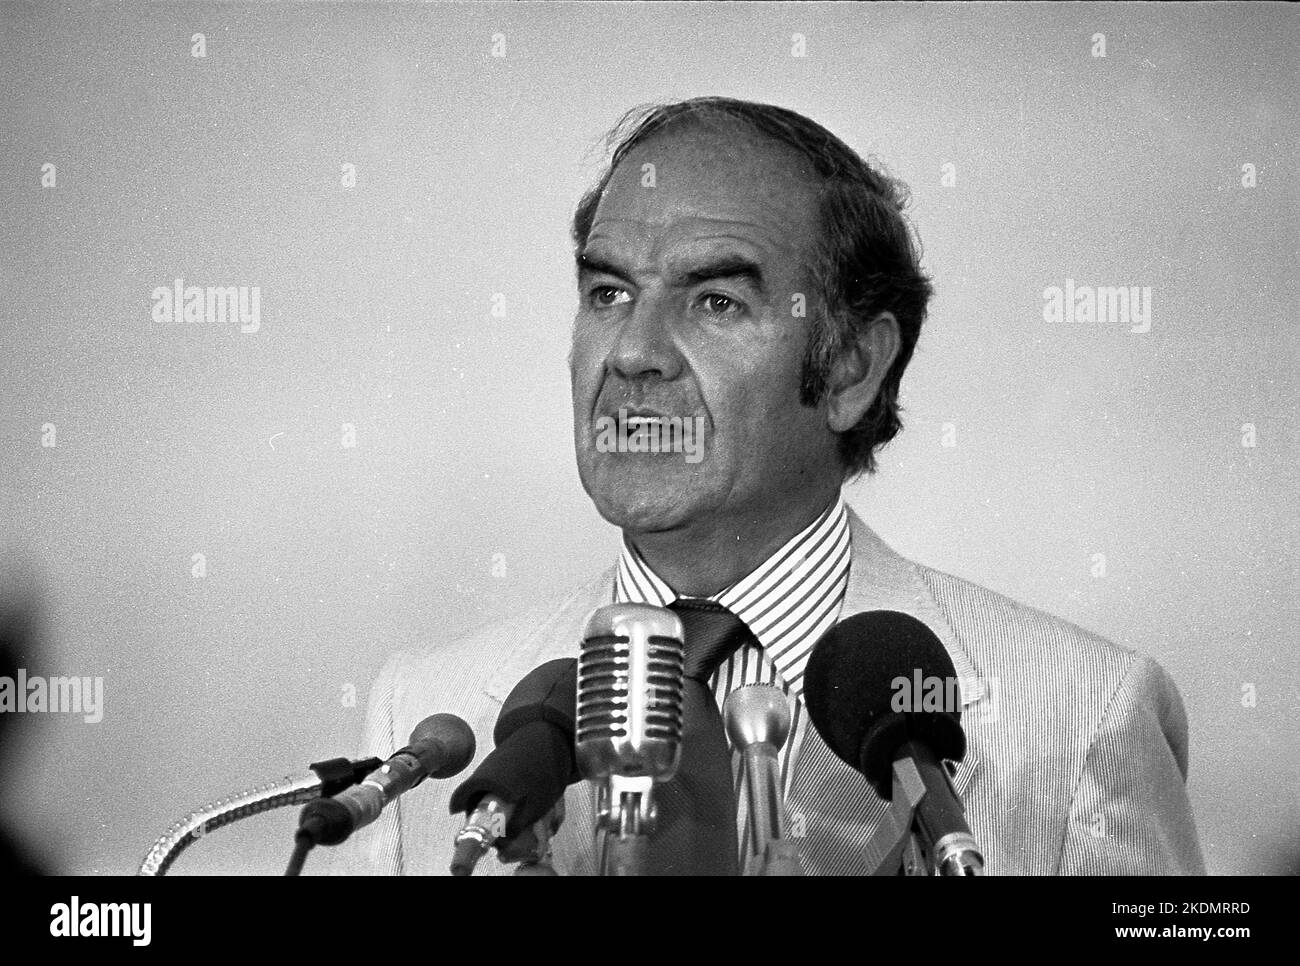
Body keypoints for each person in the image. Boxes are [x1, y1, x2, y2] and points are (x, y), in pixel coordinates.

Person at [329, 96, 1204, 875]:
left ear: (853, 366)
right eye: (607, 293)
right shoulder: (428, 712)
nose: (631, 353)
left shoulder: (1083, 716)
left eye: (715, 302)